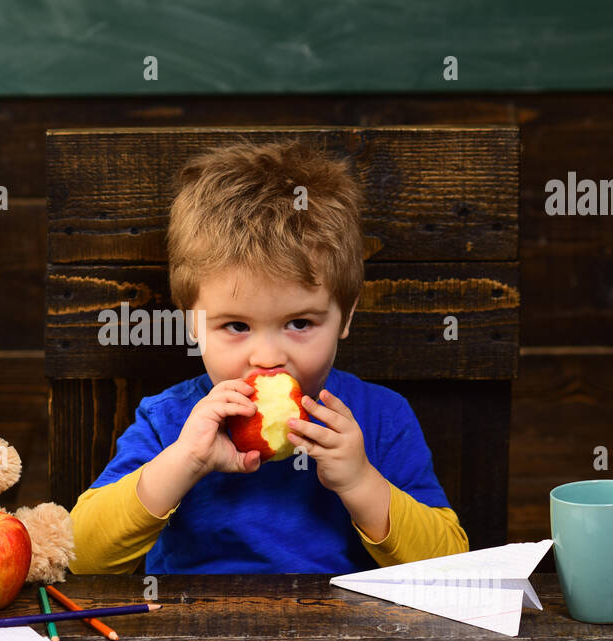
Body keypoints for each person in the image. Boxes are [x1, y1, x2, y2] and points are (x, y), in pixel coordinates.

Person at [69, 139, 469, 574]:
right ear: (191, 323)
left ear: (346, 316)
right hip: (191, 630)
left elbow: (450, 565)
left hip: (347, 635)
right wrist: (184, 462)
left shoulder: (380, 419)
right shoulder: (170, 422)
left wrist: (359, 482)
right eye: (236, 326)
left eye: (299, 324)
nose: (268, 358)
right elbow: (83, 557)